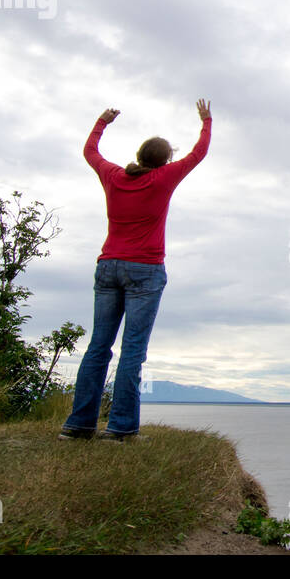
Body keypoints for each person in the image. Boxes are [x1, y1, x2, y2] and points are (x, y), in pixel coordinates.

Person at [59, 99, 212, 442]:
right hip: (145, 271)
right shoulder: (164, 178)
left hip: (108, 267)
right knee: (132, 351)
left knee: (99, 346)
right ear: (165, 161)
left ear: (140, 155)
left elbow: (90, 152)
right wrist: (206, 120)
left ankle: (78, 425)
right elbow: (198, 154)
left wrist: (102, 121)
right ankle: (120, 428)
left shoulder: (113, 176)